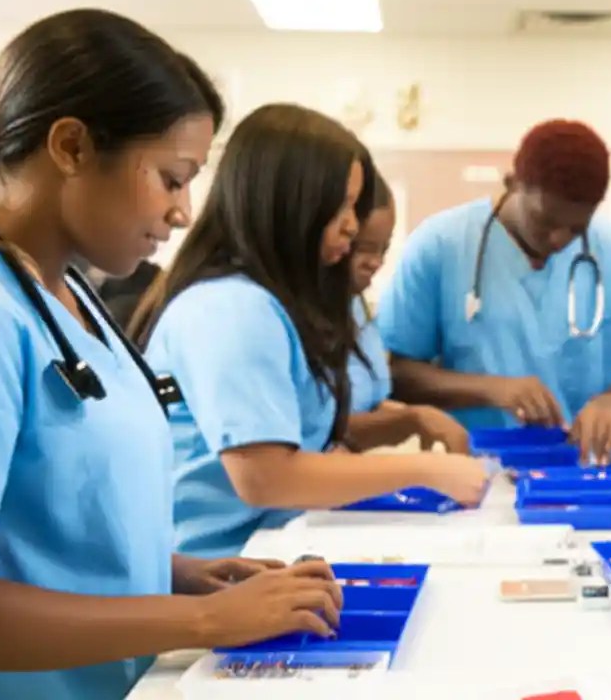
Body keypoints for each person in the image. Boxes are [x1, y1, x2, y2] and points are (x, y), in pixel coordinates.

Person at [0, 10, 342, 700]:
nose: (185, 210)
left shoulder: (72, 293)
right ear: (70, 146)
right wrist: (198, 617)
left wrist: (178, 574)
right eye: (170, 177)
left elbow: (45, 533)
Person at [131, 104, 489, 559]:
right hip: (217, 568)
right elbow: (266, 477)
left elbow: (296, 443)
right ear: (288, 202)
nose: (352, 226)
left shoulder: (269, 305)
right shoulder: (230, 310)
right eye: (340, 206)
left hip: (274, 552)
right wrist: (425, 470)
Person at [377, 119, 611, 462]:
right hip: (472, 473)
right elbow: (398, 374)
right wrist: (493, 389)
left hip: (583, 472)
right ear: (512, 183)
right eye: (545, 221)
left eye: (577, 227)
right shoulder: (439, 245)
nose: (559, 240)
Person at [344, 167, 469, 453]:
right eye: (362, 248)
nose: (375, 262)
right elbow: (315, 431)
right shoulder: (279, 316)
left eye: (383, 250)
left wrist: (411, 419)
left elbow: (366, 402)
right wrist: (410, 420)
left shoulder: (354, 309)